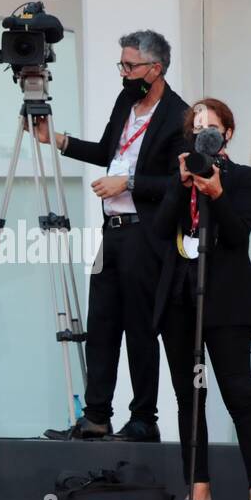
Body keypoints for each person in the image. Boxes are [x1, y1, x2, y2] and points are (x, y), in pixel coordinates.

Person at [36, 29, 188, 442]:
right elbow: (106, 151)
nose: (123, 73)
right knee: (101, 322)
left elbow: (178, 181)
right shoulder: (127, 100)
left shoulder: (179, 115)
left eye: (130, 65)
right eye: (121, 64)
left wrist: (129, 184)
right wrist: (59, 140)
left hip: (146, 236)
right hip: (112, 232)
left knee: (140, 327)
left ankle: (144, 419)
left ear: (154, 69)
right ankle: (96, 415)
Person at [151, 98, 251, 500]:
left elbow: (237, 235)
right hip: (180, 299)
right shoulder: (182, 176)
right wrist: (181, 185)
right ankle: (199, 489)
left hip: (226, 301)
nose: (204, 134)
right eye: (196, 128)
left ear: (227, 134)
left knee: (240, 396)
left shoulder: (243, 178)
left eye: (212, 127)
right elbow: (158, 231)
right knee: (188, 397)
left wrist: (218, 193)